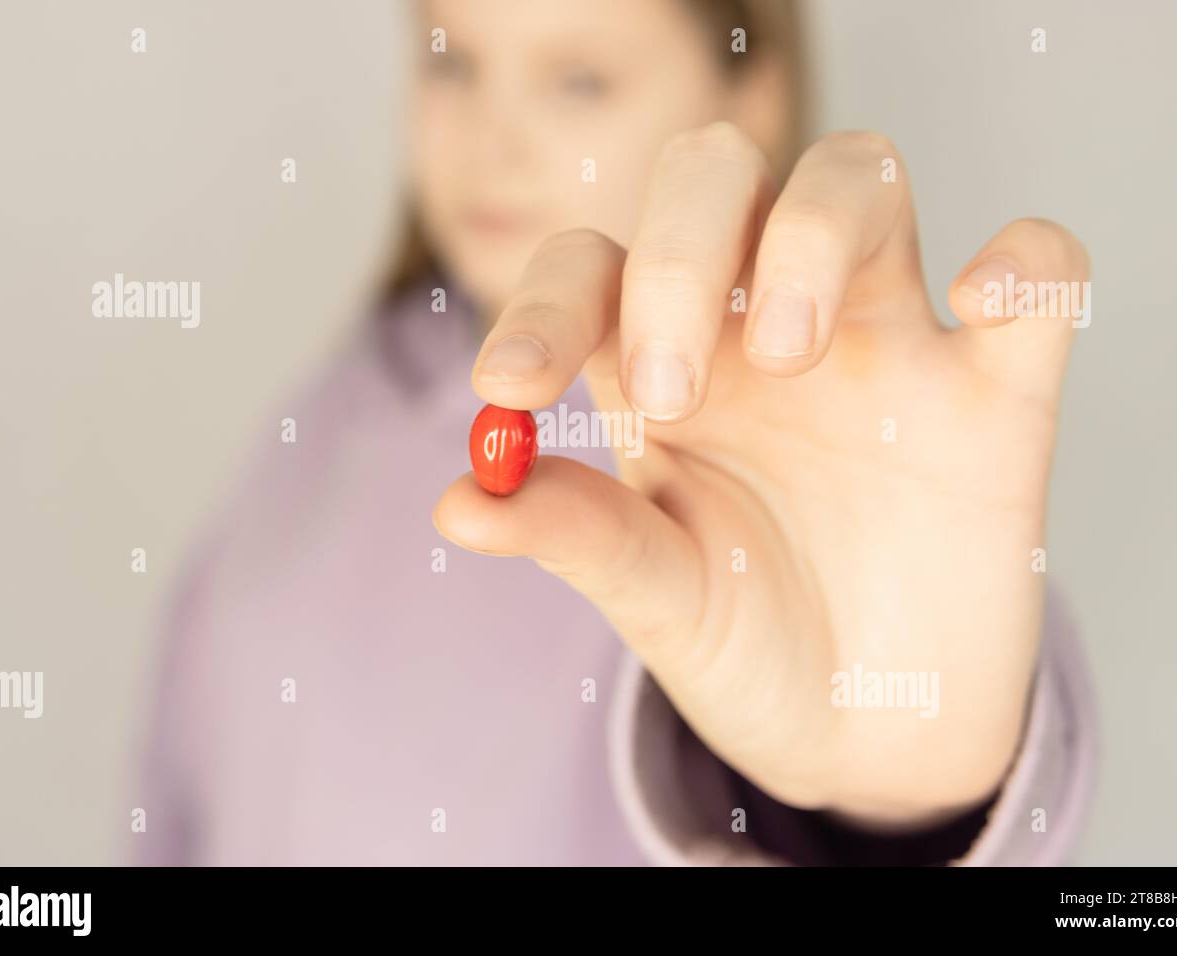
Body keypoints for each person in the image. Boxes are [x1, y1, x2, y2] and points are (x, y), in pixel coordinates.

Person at [137, 0, 1097, 865]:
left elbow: (858, 758)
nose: (493, 142)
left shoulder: (800, 486)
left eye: (579, 80)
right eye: (451, 62)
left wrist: (903, 807)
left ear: (750, 94)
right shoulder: (320, 418)